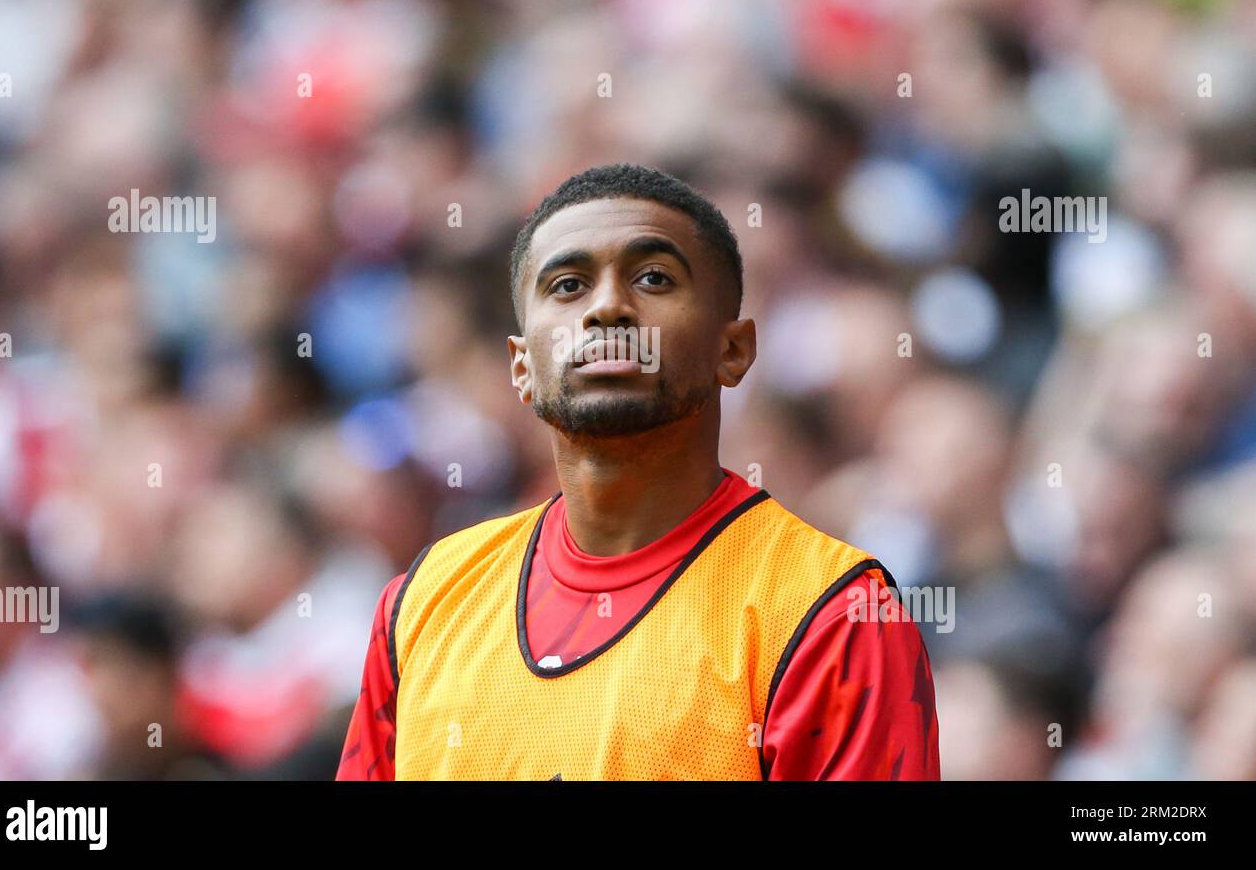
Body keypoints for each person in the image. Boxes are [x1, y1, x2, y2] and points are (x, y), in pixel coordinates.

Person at [336, 163, 939, 780]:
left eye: (653, 278)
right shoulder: (423, 601)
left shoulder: (835, 613)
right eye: (567, 286)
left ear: (732, 351)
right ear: (521, 366)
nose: (606, 309)